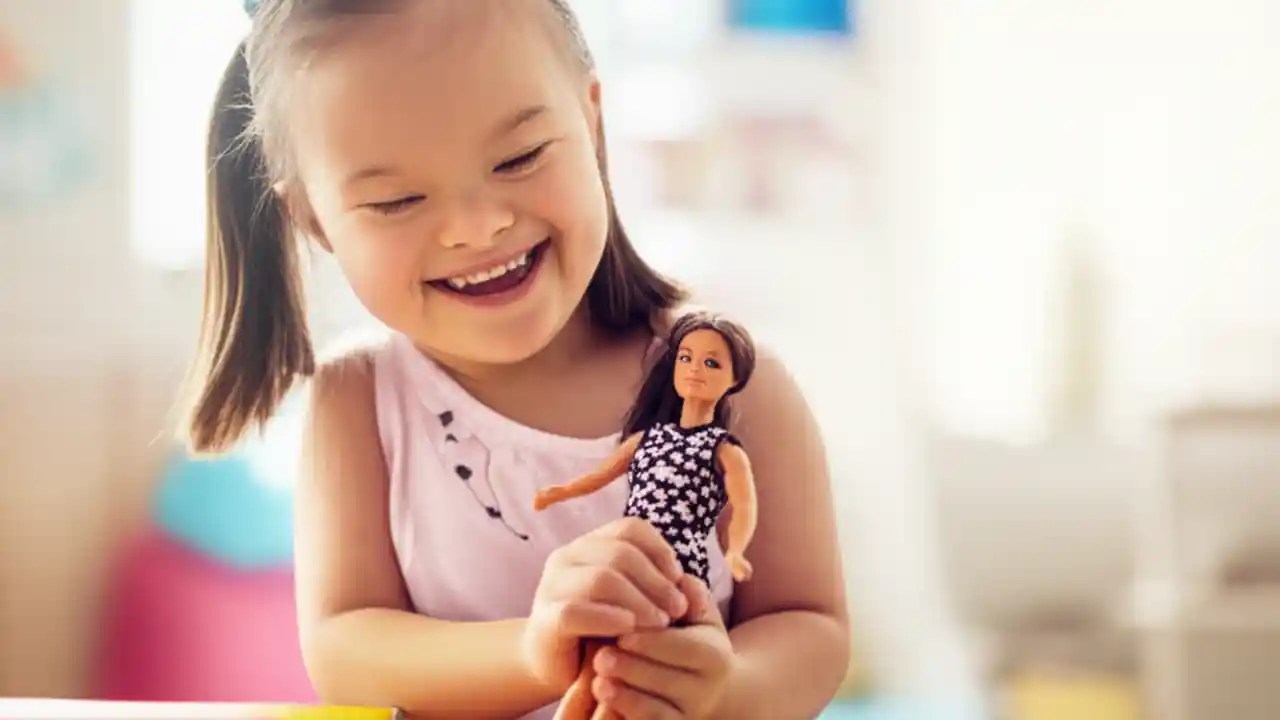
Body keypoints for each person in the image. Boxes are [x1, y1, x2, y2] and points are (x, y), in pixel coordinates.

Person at [184, 1, 848, 718]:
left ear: (591, 121)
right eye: (397, 199)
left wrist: (725, 687)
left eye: (519, 158)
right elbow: (346, 652)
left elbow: (810, 627)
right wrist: (536, 649)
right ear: (314, 220)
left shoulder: (732, 387)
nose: (478, 226)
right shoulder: (358, 402)